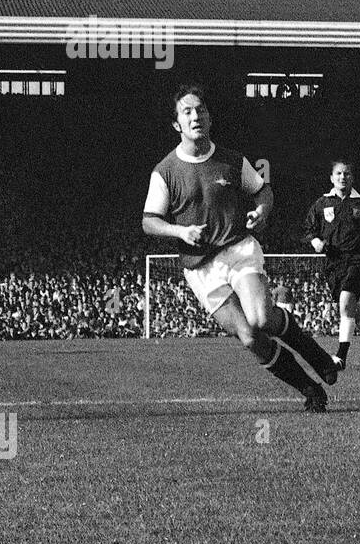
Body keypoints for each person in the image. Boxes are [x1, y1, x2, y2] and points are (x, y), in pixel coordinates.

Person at [143, 84, 340, 411]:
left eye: (201, 110)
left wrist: (262, 210)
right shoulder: (165, 172)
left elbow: (264, 191)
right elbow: (149, 221)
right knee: (250, 338)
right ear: (177, 124)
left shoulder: (232, 161)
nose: (196, 116)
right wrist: (179, 230)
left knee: (261, 318)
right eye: (187, 112)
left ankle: (316, 355)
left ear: (209, 117)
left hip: (238, 248)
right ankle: (309, 389)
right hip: (200, 268)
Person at [304, 160, 360, 368]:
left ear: (352, 178)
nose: (343, 177)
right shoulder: (321, 203)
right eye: (339, 173)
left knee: (345, 304)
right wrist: (315, 241)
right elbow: (309, 229)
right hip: (333, 262)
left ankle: (340, 357)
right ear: (332, 178)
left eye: (347, 174)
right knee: (352, 310)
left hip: (357, 258)